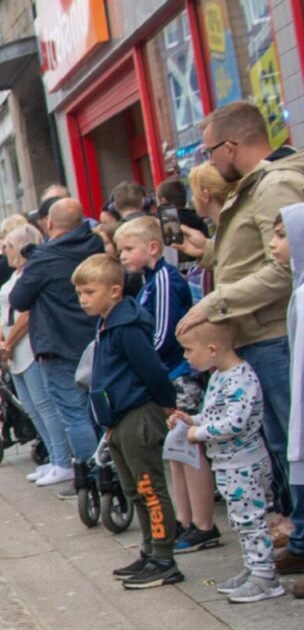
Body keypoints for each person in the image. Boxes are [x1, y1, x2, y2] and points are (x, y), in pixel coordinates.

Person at [175, 103, 304, 582]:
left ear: (230, 147)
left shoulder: (275, 183)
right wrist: (208, 252)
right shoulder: (256, 186)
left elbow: (287, 262)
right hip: (261, 332)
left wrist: (217, 303)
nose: (209, 161)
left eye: (210, 150)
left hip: (275, 332)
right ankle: (297, 536)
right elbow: (258, 253)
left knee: (295, 442)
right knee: (282, 444)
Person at [75, 252, 184, 588]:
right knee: (133, 489)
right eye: (80, 293)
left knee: (150, 488)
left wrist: (167, 403)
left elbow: (150, 368)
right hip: (118, 417)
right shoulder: (107, 322)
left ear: (115, 291)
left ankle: (165, 558)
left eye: (89, 292)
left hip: (138, 413)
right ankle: (149, 551)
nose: (83, 299)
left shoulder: (126, 327)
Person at [117, 216, 219, 552]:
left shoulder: (162, 279)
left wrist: (143, 365)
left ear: (153, 247)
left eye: (129, 248)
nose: (122, 255)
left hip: (178, 374)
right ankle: (186, 521)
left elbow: (161, 335)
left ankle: (203, 524)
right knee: (175, 451)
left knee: (188, 449)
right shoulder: (150, 280)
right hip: (169, 374)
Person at [173, 318, 281, 602]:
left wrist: (200, 432)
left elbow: (234, 422)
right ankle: (254, 568)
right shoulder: (221, 375)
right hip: (229, 463)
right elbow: (216, 415)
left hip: (243, 463)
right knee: (240, 521)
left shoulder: (241, 378)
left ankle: (265, 576)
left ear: (211, 348)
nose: (186, 356)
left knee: (251, 520)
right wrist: (192, 420)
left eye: (188, 349)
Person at [11, 197, 107, 499]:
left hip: (59, 345)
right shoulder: (95, 247)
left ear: (49, 224)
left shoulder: (45, 258)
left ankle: (96, 476)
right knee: (100, 410)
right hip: (97, 339)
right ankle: (114, 468)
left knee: (74, 413)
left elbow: (19, 299)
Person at [0, 221, 75, 485]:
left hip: (27, 345)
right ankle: (54, 457)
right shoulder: (14, 276)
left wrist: (9, 341)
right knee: (30, 406)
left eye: (9, 246)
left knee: (45, 405)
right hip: (13, 348)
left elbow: (26, 315)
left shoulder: (33, 272)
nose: (4, 251)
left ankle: (63, 460)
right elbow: (4, 314)